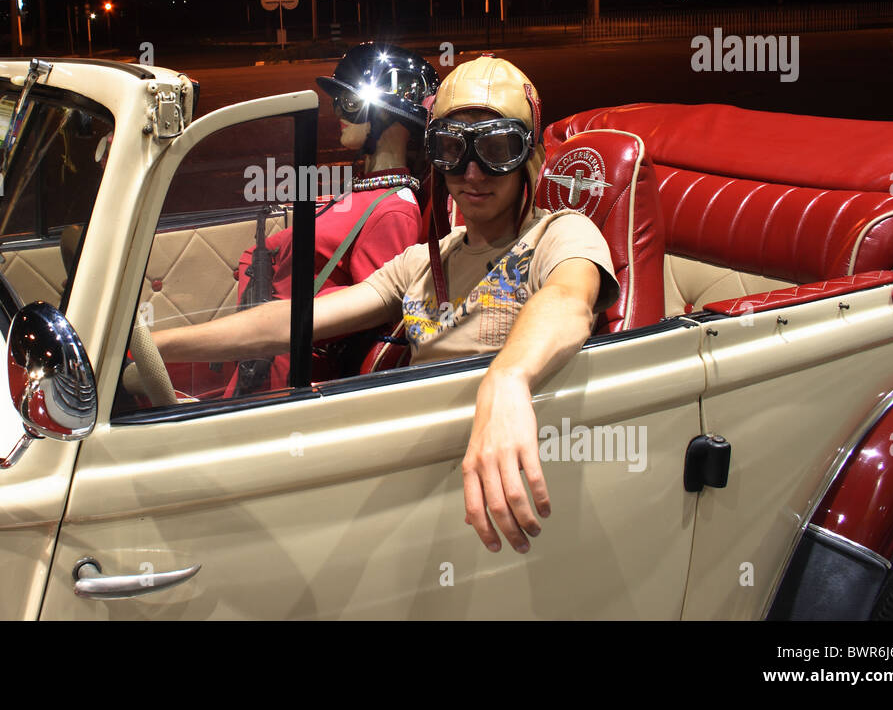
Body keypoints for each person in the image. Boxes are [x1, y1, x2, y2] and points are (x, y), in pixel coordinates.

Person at [153, 56, 620, 554]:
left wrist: (507, 380)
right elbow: (295, 321)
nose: (472, 172)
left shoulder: (559, 233)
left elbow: (568, 299)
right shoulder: (424, 260)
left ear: (527, 155)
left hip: (498, 456)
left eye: (496, 148)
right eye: (451, 149)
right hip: (414, 453)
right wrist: (156, 346)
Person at [231, 43, 439, 393]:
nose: (337, 111)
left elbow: (372, 323)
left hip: (292, 380)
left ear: (389, 113)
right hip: (267, 357)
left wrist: (274, 320)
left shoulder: (393, 209)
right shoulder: (363, 191)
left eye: (350, 102)